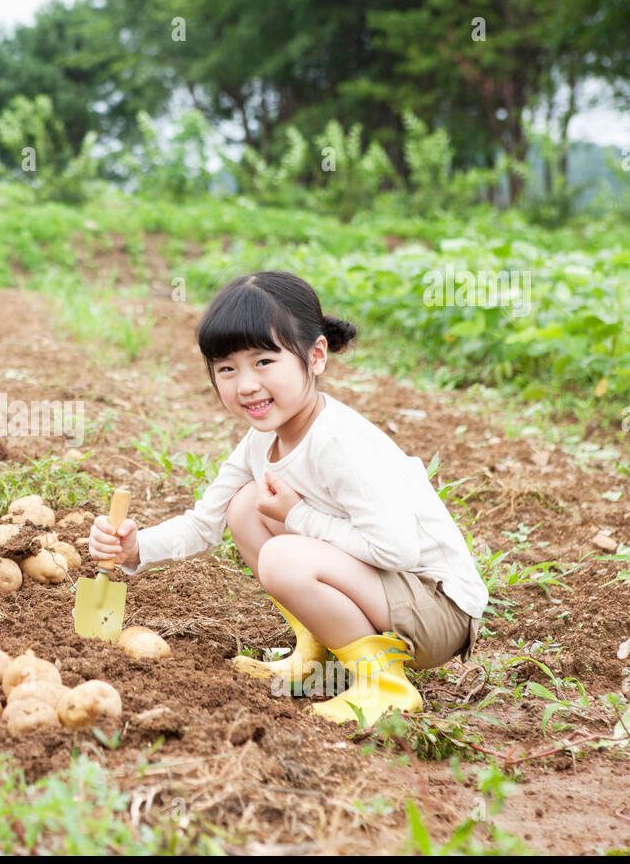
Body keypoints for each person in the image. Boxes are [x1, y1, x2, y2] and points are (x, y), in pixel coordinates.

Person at [88, 270, 488, 723]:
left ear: (315, 356)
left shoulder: (339, 443)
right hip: (391, 596)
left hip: (436, 608)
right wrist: (135, 547)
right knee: (244, 507)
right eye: (226, 369)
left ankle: (385, 684)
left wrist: (297, 515)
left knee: (282, 555)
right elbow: (206, 523)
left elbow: (397, 549)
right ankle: (317, 655)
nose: (246, 385)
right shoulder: (262, 440)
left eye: (264, 362)